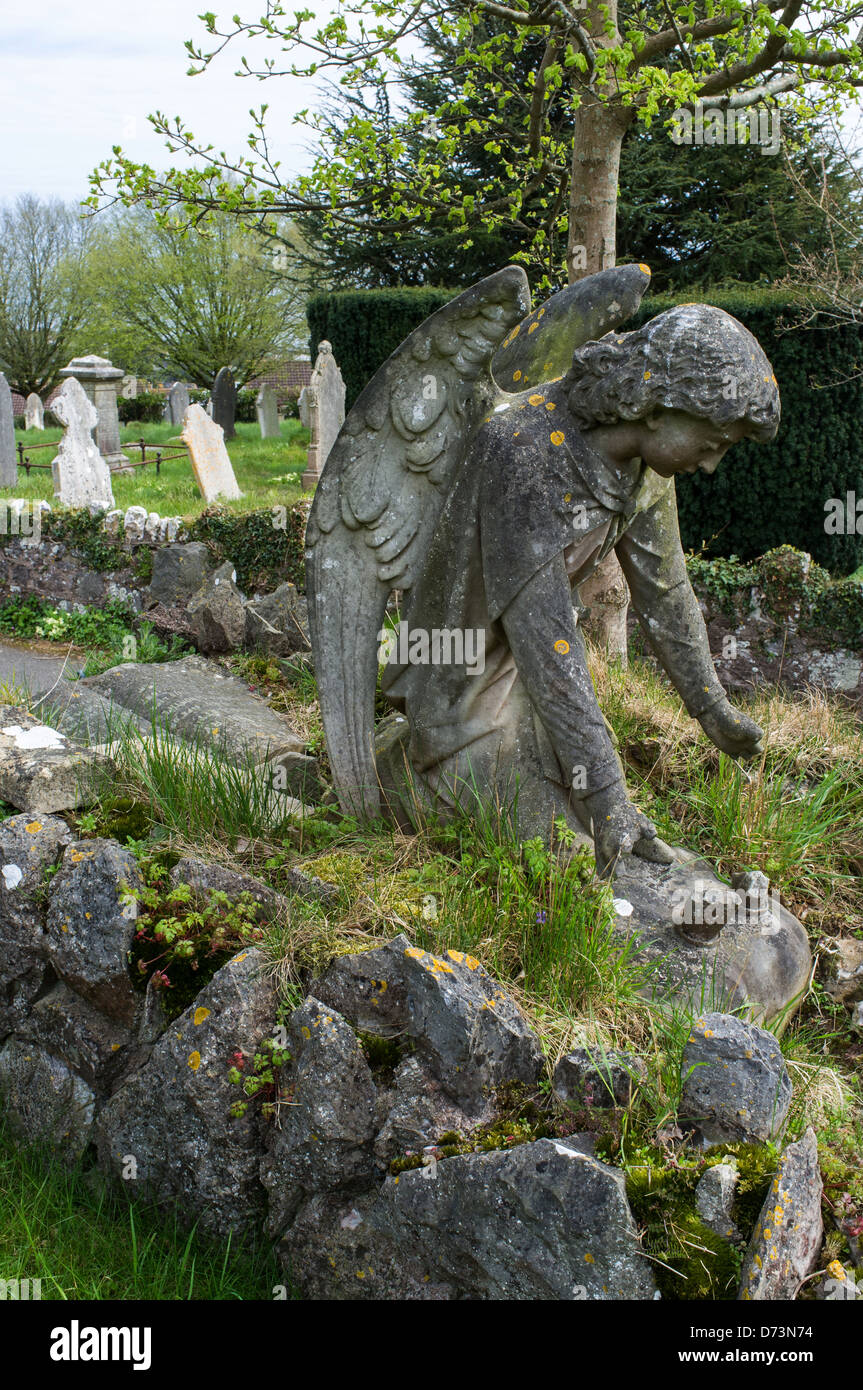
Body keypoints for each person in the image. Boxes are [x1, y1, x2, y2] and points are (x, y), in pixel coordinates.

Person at [380, 304, 780, 874]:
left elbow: (666, 595)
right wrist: (610, 800)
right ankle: (405, 772)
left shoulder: (647, 472)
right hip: (462, 690)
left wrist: (711, 709)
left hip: (529, 680)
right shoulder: (521, 451)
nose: (712, 464)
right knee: (557, 857)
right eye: (714, 441)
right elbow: (546, 643)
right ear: (661, 404)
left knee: (599, 835)